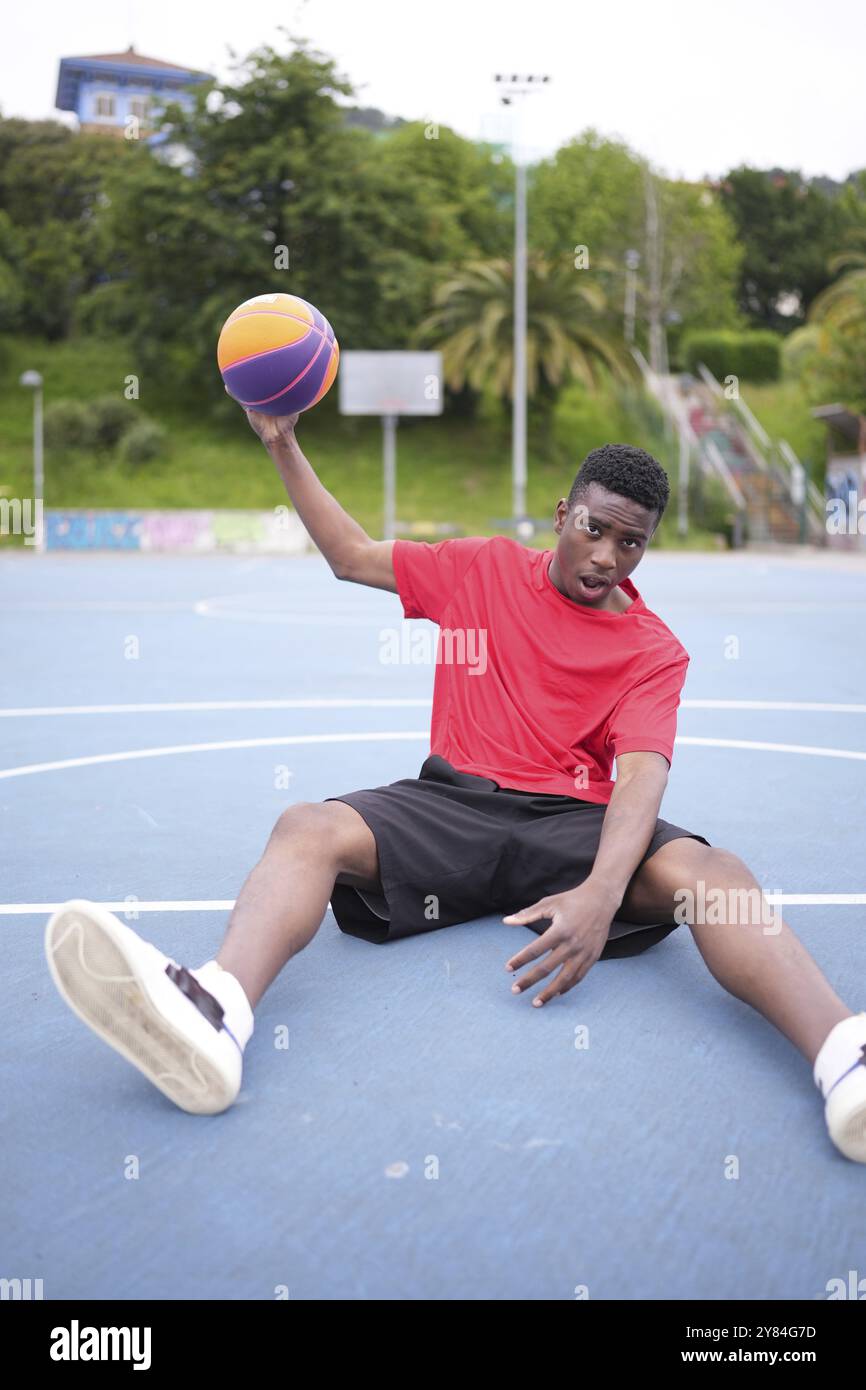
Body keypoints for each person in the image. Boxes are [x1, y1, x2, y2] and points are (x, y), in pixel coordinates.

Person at [45, 419, 866, 1164]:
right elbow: (349, 556)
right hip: (452, 805)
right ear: (561, 514)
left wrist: (600, 894)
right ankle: (217, 1013)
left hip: (572, 825)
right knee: (306, 825)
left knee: (715, 876)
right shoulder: (480, 570)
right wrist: (280, 442)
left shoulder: (655, 651)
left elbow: (641, 777)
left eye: (632, 543)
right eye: (595, 528)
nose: (608, 556)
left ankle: (843, 1060)